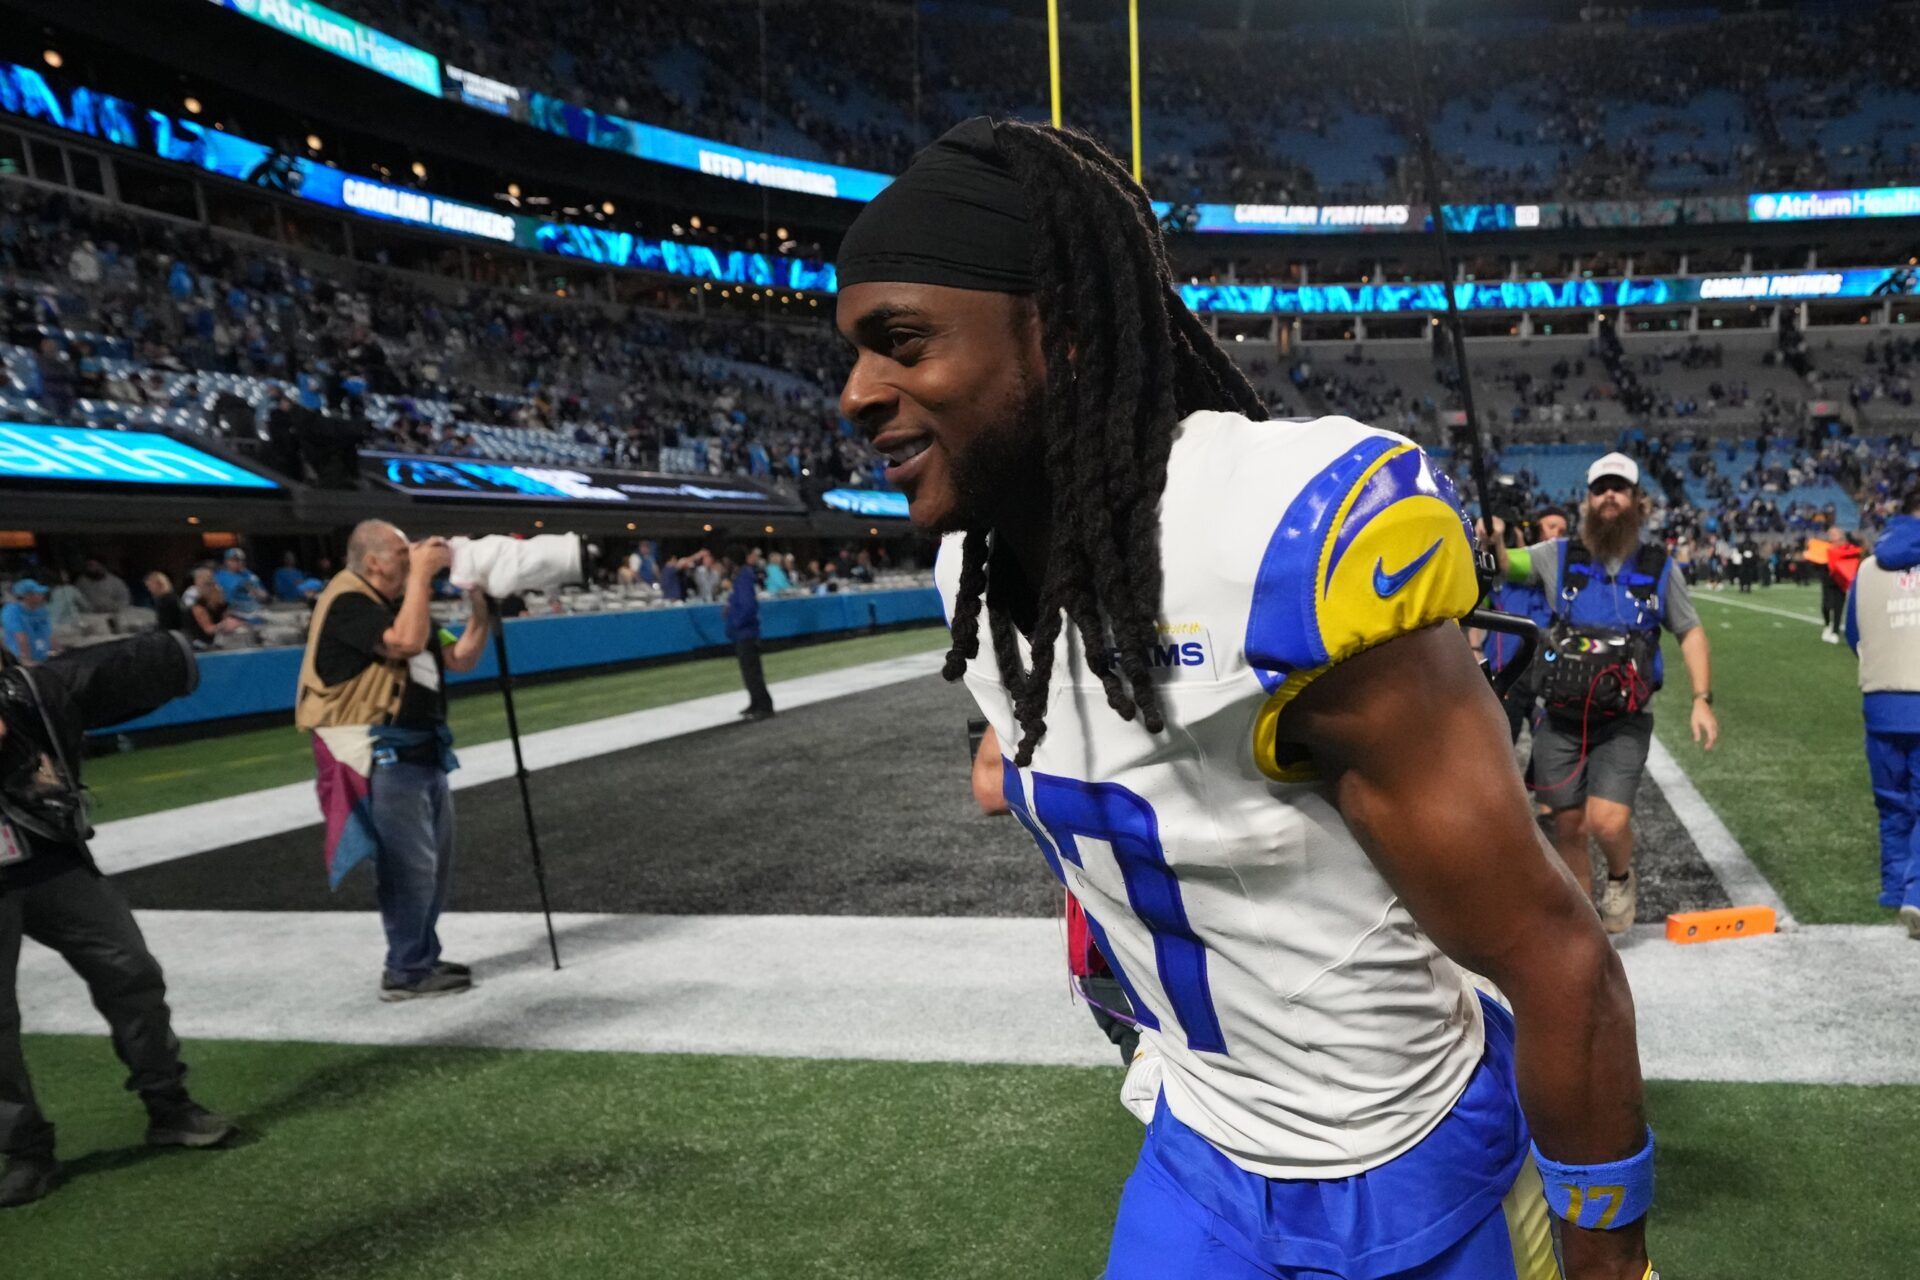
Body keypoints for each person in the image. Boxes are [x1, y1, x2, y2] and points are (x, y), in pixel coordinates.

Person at [839, 118, 1652, 1279]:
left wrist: (1610, 1263)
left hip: (1408, 1154)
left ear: (1061, 331)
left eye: (902, 342)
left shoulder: (1269, 540)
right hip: (1201, 1150)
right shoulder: (970, 573)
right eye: (854, 352)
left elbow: (1559, 957)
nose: (857, 392)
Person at [1, 659, 237, 1209]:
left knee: (131, 971)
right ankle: (25, 1150)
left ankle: (168, 1104)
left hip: (49, 858)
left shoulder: (21, 683)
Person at [1496, 453, 1718, 934]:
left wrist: (1702, 698)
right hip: (1560, 716)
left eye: (1619, 488)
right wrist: (1491, 539)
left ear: (1638, 500)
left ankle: (1619, 878)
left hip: (1625, 719)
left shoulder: (1659, 566)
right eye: (1600, 489)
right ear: (1588, 501)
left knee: (1607, 821)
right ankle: (1584, 920)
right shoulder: (1558, 554)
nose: (1609, 497)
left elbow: (1690, 631)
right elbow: (1506, 564)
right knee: (1565, 823)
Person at [296, 522, 492, 1001]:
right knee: (409, 868)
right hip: (385, 755)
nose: (412, 560)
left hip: (424, 751)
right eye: (402, 555)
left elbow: (460, 658)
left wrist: (482, 605)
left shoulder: (401, 607)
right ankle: (405, 970)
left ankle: (420, 955)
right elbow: (404, 643)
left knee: (432, 866)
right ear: (374, 562)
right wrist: (423, 575)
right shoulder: (347, 601)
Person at [1845, 489, 1920, 938]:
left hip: (1880, 702)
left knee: (1892, 803)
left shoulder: (1868, 567)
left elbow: (1854, 634)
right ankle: (1917, 894)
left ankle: (1894, 889)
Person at [726, 550, 774, 721]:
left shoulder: (743, 579)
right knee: (748, 671)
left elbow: (748, 607)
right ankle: (756, 702)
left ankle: (764, 706)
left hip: (746, 631)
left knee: (752, 671)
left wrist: (735, 621)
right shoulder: (742, 577)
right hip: (744, 631)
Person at [1822, 525, 1862, 645]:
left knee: (1838, 607)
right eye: (1830, 534)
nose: (1832, 536)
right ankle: (1828, 624)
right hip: (1828, 580)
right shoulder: (1825, 548)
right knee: (1826, 605)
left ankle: (1835, 632)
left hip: (1841, 581)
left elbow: (1857, 553)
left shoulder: (1848, 547)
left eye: (1834, 534)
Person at [0, 582, 51, 665]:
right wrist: (26, 660)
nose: (42, 595)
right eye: (38, 593)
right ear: (27, 596)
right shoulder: (11, 611)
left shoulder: (41, 610)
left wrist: (56, 650)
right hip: (19, 658)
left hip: (42, 655)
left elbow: (48, 632)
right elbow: (20, 637)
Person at [214, 549, 267, 625]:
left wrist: (253, 589)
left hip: (255, 611)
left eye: (240, 560)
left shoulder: (249, 574)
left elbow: (263, 595)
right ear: (226, 561)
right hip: (232, 613)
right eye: (234, 560)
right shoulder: (219, 576)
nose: (238, 563)